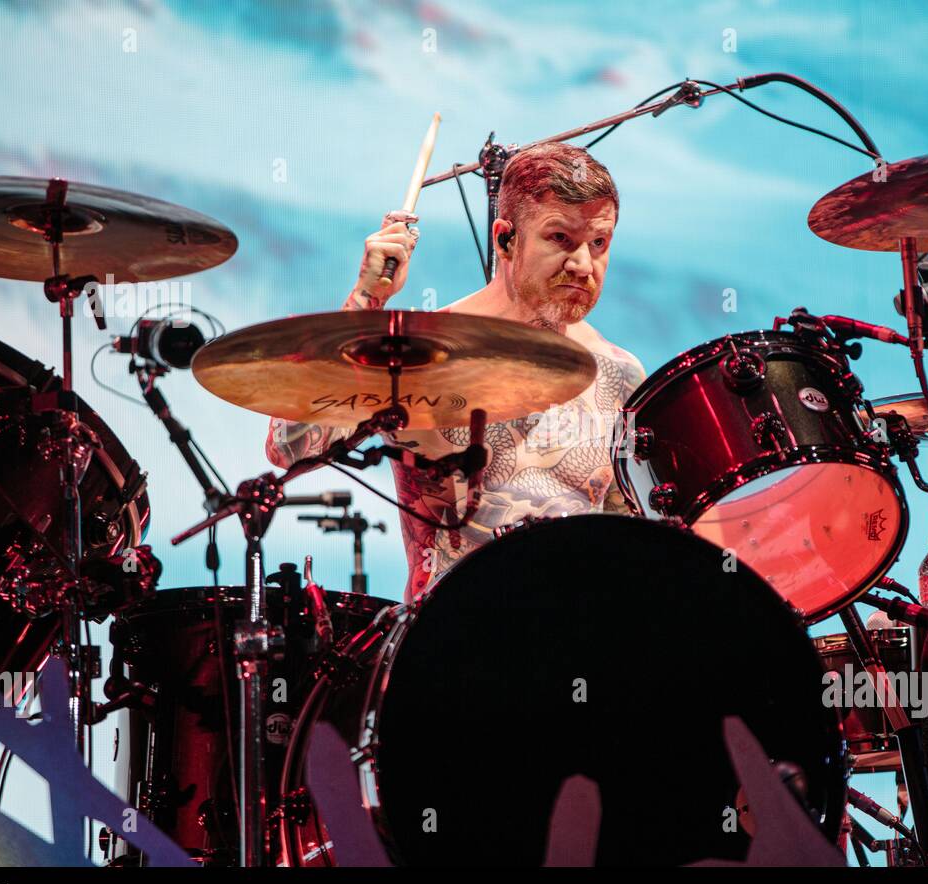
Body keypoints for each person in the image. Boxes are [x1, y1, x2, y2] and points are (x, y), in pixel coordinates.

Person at [267, 142, 646, 600]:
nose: (584, 265)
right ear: (506, 238)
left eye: (599, 243)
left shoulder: (620, 374)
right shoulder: (418, 352)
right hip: (449, 644)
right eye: (560, 239)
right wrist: (368, 302)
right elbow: (289, 447)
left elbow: (630, 536)